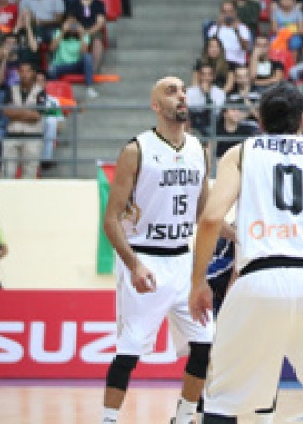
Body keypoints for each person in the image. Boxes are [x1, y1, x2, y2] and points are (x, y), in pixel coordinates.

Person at [188, 83, 303, 424]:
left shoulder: (241, 153)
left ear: (259, 120)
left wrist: (198, 281)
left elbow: (212, 218)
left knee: (223, 403)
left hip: (259, 280)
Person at [98, 77, 214, 424]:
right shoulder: (137, 150)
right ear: (155, 105)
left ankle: (184, 416)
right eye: (170, 91)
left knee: (205, 344)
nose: (180, 95)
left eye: (182, 90)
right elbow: (111, 220)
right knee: (129, 353)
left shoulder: (197, 149)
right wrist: (133, 265)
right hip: (145, 259)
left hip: (184, 261)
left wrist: (239, 236)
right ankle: (108, 419)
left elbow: (204, 214)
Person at [1, 61, 46, 179]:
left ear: (33, 73)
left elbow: (36, 116)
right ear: (18, 73)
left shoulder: (40, 91)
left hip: (33, 136)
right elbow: (6, 112)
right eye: (22, 71)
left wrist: (16, 113)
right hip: (12, 135)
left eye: (28, 71)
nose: (25, 74)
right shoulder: (11, 89)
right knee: (7, 173)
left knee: (29, 174)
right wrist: (27, 112)